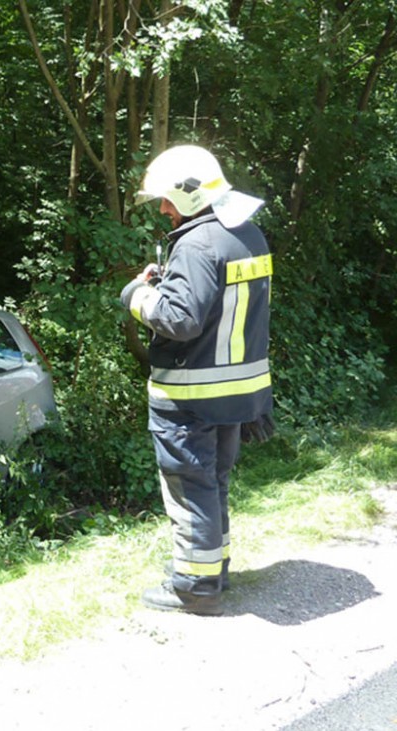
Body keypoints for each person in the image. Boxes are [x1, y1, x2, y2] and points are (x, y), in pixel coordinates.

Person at [120, 145, 274, 616]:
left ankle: (194, 588)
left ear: (189, 196)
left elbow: (181, 319)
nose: (163, 209)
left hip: (191, 395)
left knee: (190, 486)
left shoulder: (196, 244)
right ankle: (215, 570)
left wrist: (137, 294)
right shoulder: (247, 235)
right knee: (214, 482)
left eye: (167, 200)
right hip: (236, 393)